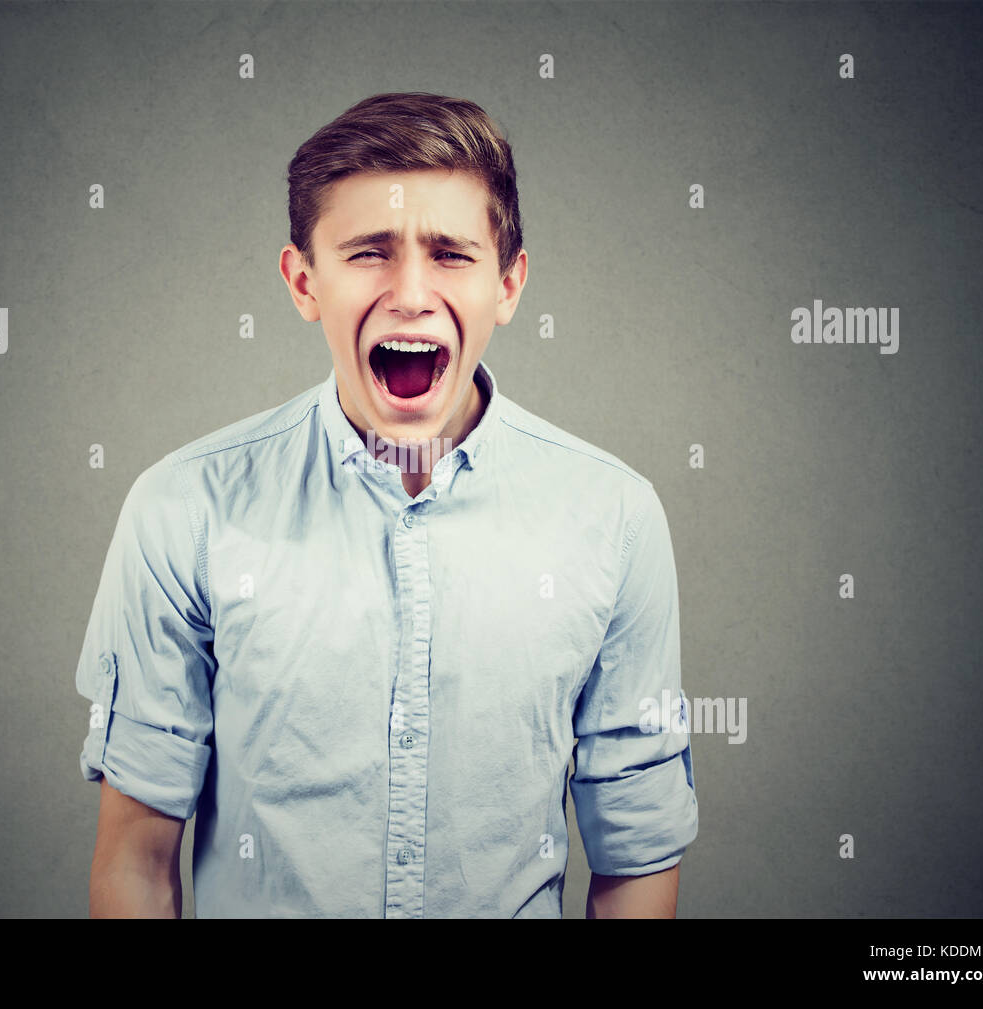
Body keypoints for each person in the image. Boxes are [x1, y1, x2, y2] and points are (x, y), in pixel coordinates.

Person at [75, 91, 698, 918]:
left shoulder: (616, 517)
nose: (410, 292)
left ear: (508, 284)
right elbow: (134, 862)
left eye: (450, 253)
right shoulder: (181, 509)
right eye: (369, 252)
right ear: (305, 281)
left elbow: (637, 855)